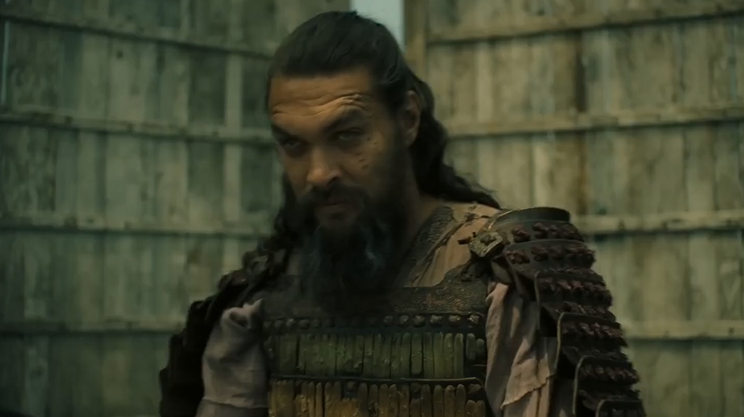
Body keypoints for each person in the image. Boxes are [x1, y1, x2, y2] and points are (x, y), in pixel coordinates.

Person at [158, 11, 645, 417]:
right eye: (293, 144)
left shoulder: (504, 283)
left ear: (407, 119)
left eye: (347, 135)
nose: (319, 173)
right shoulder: (261, 303)